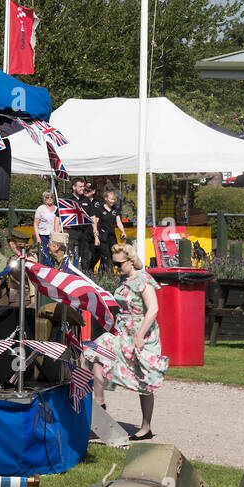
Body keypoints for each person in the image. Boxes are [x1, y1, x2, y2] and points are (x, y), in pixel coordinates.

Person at [83, 241, 168, 440]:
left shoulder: (143, 279)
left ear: (130, 261)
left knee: (145, 382)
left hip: (143, 335)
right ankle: (100, 399)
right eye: (114, 264)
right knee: (97, 349)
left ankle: (146, 427)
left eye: (119, 264)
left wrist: (139, 336)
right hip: (124, 332)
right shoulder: (124, 280)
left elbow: (153, 309)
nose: (116, 268)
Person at [95, 187, 126, 273]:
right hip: (102, 236)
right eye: (111, 199)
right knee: (106, 257)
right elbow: (95, 222)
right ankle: (110, 276)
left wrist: (123, 231)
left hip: (112, 236)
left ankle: (102, 274)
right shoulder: (100, 208)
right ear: (106, 198)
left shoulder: (115, 209)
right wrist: (96, 236)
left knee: (114, 255)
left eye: (114, 199)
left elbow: (118, 222)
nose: (112, 201)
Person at [33, 190, 60, 264]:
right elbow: (35, 224)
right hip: (43, 236)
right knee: (45, 255)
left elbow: (59, 223)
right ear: (44, 199)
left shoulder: (56, 208)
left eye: (51, 197)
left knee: (54, 255)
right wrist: (38, 237)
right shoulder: (40, 209)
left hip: (54, 236)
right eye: (47, 197)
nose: (50, 199)